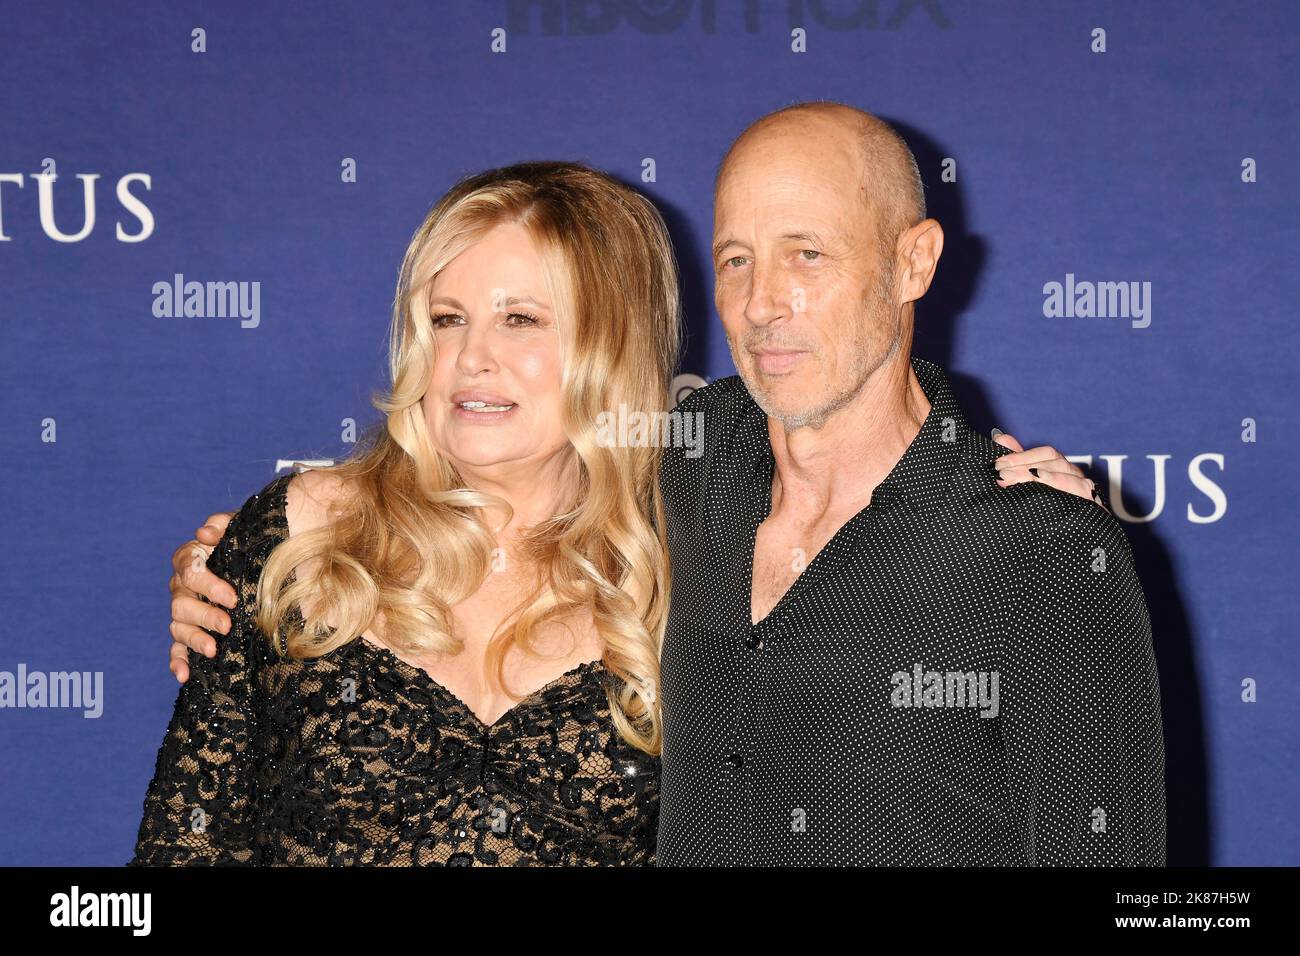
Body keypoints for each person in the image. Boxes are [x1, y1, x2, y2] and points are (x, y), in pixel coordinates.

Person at [153, 125, 1104, 869]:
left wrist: (1010, 504)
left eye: (521, 319)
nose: (470, 357)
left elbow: (858, 456)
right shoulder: (302, 537)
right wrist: (215, 561)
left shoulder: (687, 538)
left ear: (610, 346)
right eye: (446, 320)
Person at [654, 102, 1166, 864]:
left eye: (807, 255)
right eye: (736, 260)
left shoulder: (1046, 558)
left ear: (913, 263)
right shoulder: (689, 459)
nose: (761, 303)